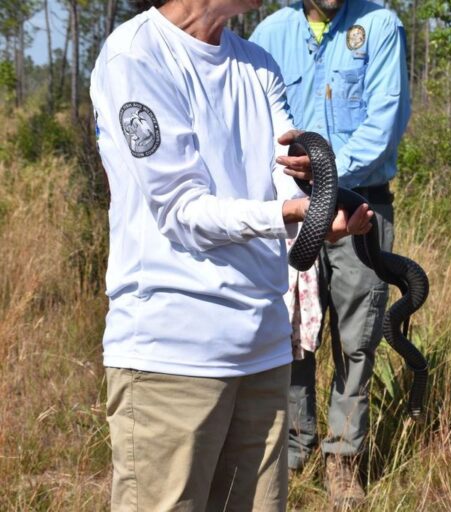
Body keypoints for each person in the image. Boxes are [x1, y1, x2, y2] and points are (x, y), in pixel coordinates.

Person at [90, 0, 373, 510]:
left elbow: (285, 169)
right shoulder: (134, 57)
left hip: (262, 354)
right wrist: (291, 214)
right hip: (171, 358)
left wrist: (319, 210)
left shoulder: (258, 63)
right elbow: (181, 210)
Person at [250, 0, 411, 506]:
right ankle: (295, 451)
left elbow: (385, 120)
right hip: (292, 209)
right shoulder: (270, 32)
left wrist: (323, 168)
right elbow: (255, 120)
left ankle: (343, 460)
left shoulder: (380, 25)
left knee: (358, 337)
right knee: (292, 333)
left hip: (362, 202)